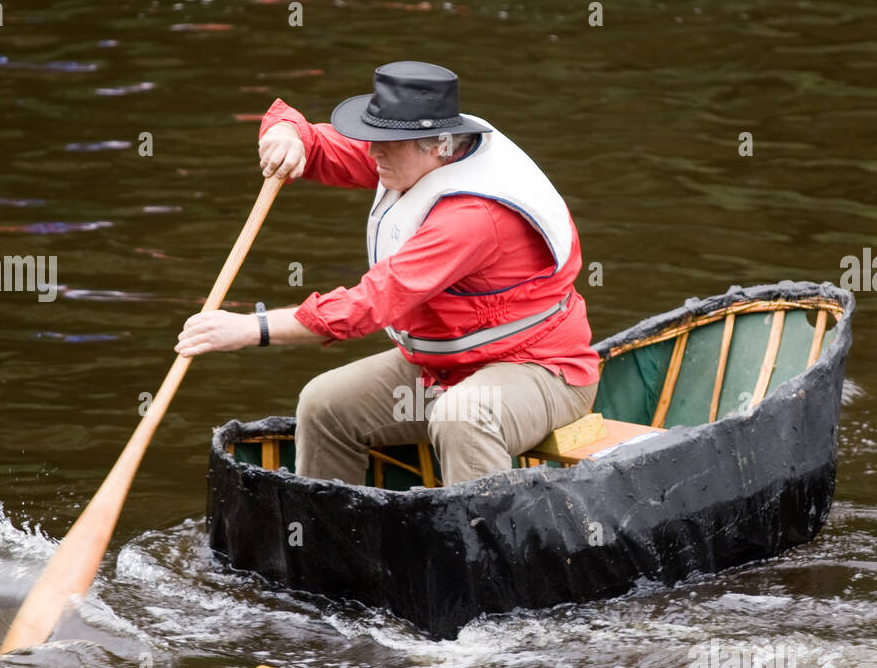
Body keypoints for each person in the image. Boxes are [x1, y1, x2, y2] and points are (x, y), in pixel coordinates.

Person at [176, 61, 599, 486]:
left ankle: (476, 549)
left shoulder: (472, 218)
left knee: (464, 415)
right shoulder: (412, 155)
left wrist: (253, 328)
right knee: (323, 405)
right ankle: (328, 540)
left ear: (438, 145)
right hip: (442, 367)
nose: (373, 151)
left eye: (388, 143)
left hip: (542, 371)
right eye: (373, 137)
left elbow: (372, 302)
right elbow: (315, 142)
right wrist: (285, 136)